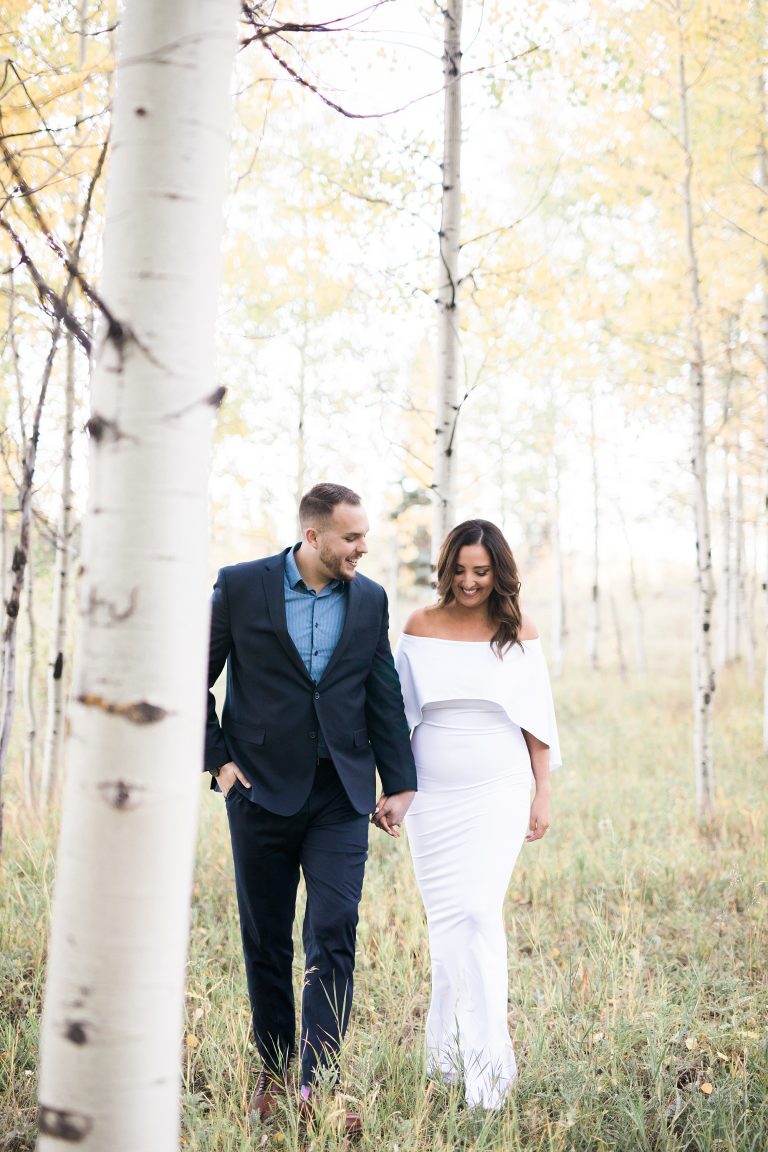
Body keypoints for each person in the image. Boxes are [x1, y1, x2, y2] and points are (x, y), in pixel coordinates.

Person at [205, 483, 416, 1134]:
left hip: (341, 795)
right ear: (314, 536)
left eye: (365, 538)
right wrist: (219, 762)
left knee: (334, 930)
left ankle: (316, 1086)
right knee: (266, 939)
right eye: (352, 538)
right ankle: (270, 1075)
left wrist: (399, 780)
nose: (362, 548)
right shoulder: (241, 587)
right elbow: (193, 676)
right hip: (259, 790)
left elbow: (379, 687)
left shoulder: (370, 598)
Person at [391, 519, 560, 1110]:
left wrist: (542, 793)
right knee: (446, 926)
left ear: (499, 572)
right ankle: (446, 1055)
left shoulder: (517, 630)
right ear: (445, 570)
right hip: (431, 793)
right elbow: (397, 715)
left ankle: (489, 1072)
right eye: (459, 570)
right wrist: (395, 788)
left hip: (499, 784)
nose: (469, 582)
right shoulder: (419, 626)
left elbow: (535, 722)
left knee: (477, 912)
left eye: (481, 572)